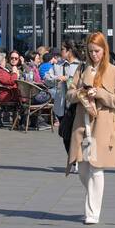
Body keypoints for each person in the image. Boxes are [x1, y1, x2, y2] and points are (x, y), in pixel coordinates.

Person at [67, 31, 115, 224]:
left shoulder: (114, 72)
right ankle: (92, 197)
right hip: (82, 125)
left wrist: (99, 93)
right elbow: (69, 94)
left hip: (103, 125)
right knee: (82, 169)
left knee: (96, 169)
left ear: (104, 50)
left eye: (97, 51)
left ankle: (92, 213)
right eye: (90, 51)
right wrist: (80, 94)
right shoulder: (82, 69)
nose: (94, 55)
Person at [45, 39, 83, 170]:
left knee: (76, 134)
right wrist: (57, 79)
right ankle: (73, 160)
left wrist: (69, 79)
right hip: (61, 105)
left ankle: (78, 159)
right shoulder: (58, 65)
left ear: (69, 51)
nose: (60, 51)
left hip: (76, 105)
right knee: (65, 134)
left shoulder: (80, 65)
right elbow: (47, 79)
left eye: (62, 49)